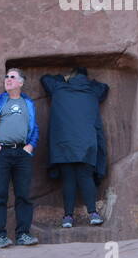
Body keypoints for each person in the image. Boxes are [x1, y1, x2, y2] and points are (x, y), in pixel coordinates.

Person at [0, 68, 40, 248]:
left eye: (13, 77)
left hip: (23, 154)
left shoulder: (28, 103)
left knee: (24, 195)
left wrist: (31, 146)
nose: (8, 79)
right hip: (1, 153)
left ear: (21, 82)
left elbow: (34, 127)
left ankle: (23, 234)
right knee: (0, 195)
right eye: (6, 77)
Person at [40, 66, 109, 228]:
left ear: (70, 76)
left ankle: (68, 217)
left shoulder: (58, 87)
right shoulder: (92, 91)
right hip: (87, 142)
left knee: (69, 179)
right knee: (86, 177)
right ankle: (93, 213)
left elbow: (44, 78)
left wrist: (62, 78)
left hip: (64, 142)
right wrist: (89, 81)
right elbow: (104, 88)